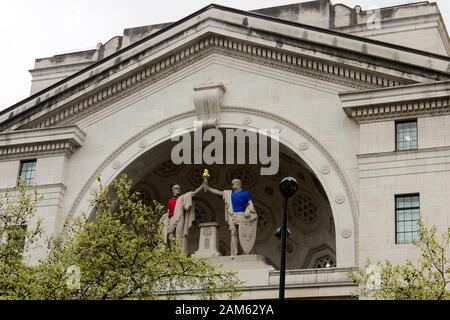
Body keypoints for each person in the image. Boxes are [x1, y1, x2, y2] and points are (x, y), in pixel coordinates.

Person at [205, 179, 257, 256]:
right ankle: (235, 252)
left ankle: (246, 251)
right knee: (233, 232)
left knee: (243, 233)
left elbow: (251, 204)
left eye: (233, 184)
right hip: (232, 215)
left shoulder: (245, 193)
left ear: (237, 184)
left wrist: (249, 210)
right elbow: (219, 192)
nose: (232, 185)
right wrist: (208, 188)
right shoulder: (229, 193)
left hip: (242, 215)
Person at [162, 183, 203, 252]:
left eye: (179, 188)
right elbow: (169, 210)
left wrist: (202, 185)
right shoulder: (170, 200)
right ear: (173, 190)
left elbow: (194, 193)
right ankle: (173, 253)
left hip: (180, 218)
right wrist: (165, 216)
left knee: (178, 236)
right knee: (170, 237)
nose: (178, 190)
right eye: (176, 188)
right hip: (171, 219)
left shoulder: (183, 198)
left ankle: (178, 253)